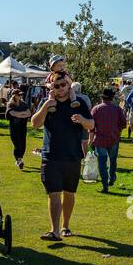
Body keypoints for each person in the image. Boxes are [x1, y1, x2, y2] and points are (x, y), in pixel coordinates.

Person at [31, 72, 95, 241]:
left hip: (72, 155)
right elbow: (35, 124)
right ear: (52, 87)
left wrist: (81, 119)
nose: (60, 89)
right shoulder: (47, 103)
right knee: (53, 193)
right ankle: (55, 230)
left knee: (68, 193)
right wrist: (45, 106)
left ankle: (65, 226)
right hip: (50, 155)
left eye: (63, 85)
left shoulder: (78, 103)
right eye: (56, 86)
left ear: (68, 85)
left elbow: (91, 124)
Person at [89, 88, 127, 193]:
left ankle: (105, 184)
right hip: (114, 138)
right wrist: (117, 131)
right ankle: (112, 177)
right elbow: (123, 124)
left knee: (102, 162)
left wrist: (90, 140)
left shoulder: (96, 109)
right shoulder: (117, 109)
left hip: (100, 139)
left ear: (102, 98)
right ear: (112, 98)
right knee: (113, 159)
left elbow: (92, 126)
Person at [6, 89, 32, 170]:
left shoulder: (24, 104)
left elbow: (29, 113)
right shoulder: (10, 104)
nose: (20, 96)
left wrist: (18, 115)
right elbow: (12, 113)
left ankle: (19, 159)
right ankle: (18, 160)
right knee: (17, 144)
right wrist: (22, 114)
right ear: (14, 95)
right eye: (18, 95)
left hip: (22, 127)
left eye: (21, 95)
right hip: (14, 127)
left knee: (23, 143)